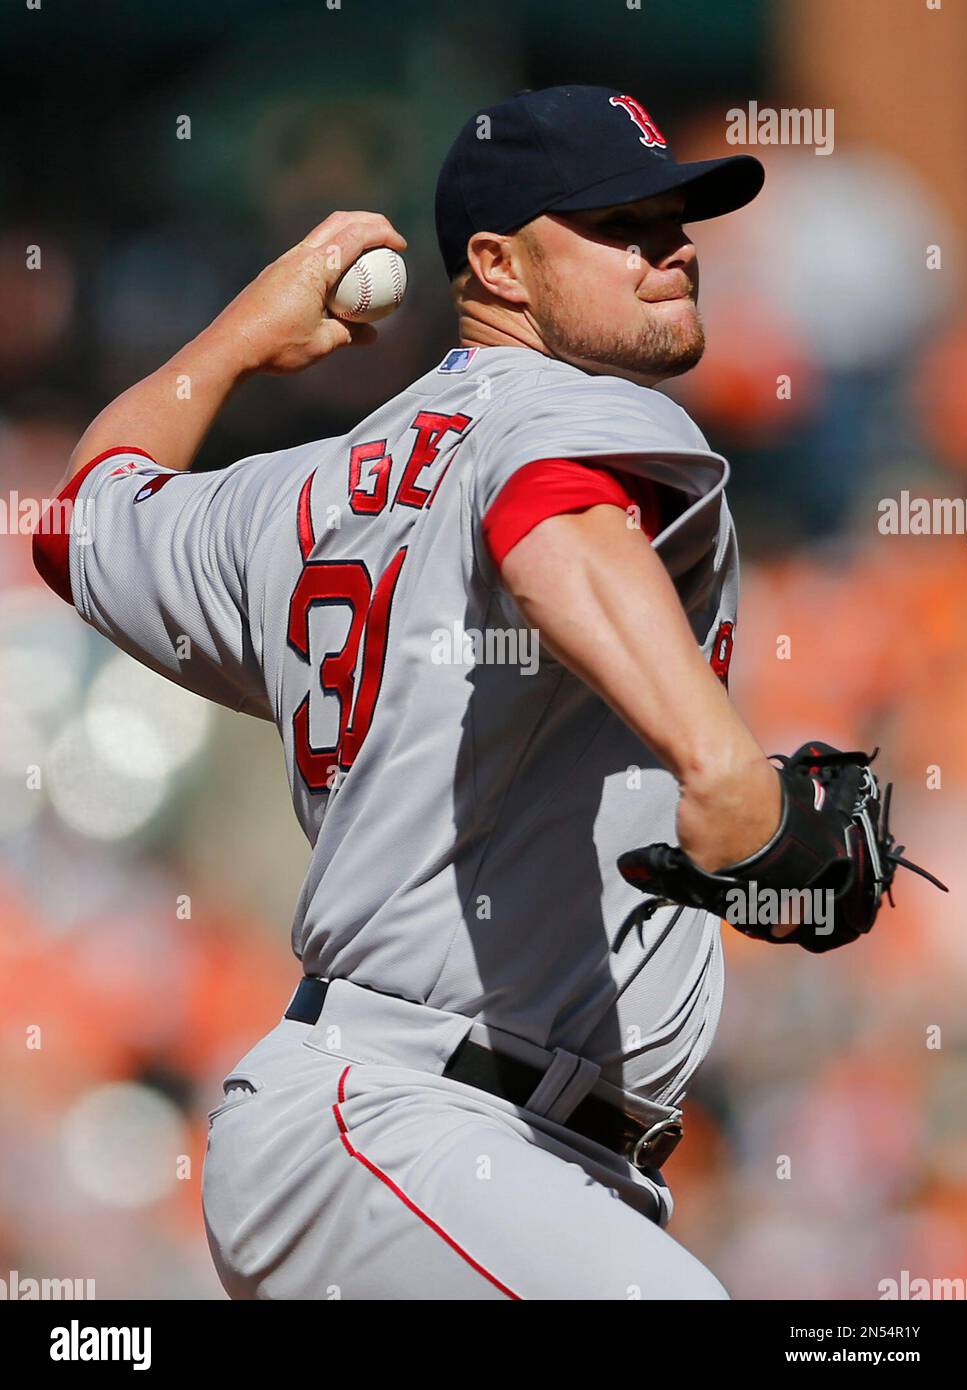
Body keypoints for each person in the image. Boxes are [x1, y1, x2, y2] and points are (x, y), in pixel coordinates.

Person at [34, 86, 787, 1300]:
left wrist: (234, 339)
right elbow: (550, 519)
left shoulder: (293, 493)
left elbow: (83, 519)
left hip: (433, 1141)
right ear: (495, 265)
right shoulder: (566, 408)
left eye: (674, 218)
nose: (671, 247)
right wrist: (721, 760)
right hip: (413, 1124)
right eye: (620, 225)